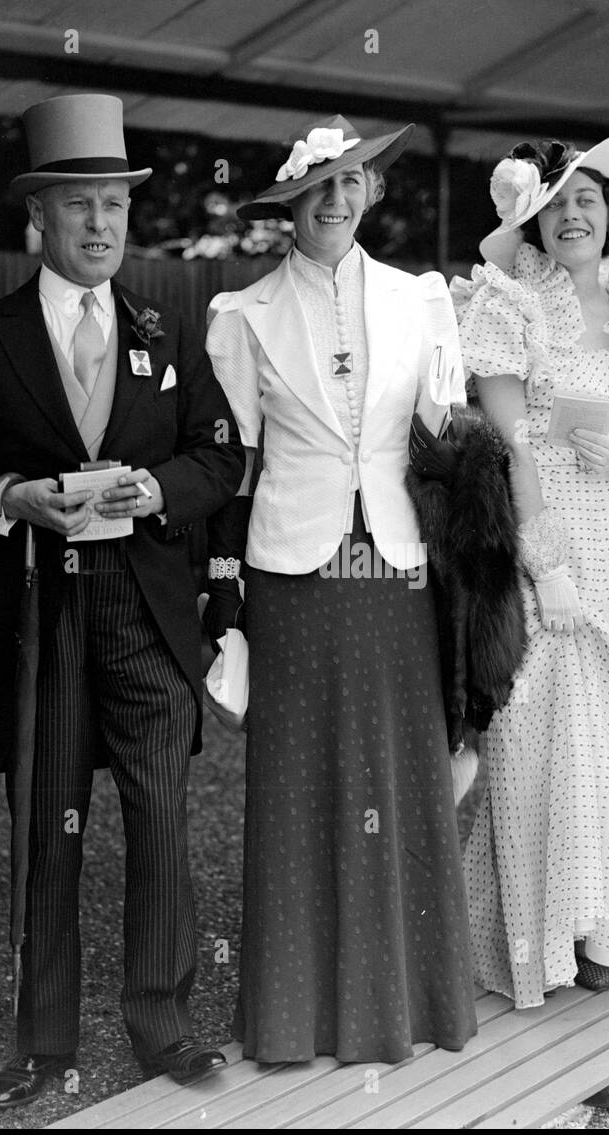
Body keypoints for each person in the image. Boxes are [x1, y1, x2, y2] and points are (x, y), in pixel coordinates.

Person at [0, 94, 245, 1108]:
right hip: (40, 618)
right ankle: (45, 1042)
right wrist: (11, 496)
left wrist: (157, 493)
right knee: (48, 834)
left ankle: (165, 1026)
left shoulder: (165, 328)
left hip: (147, 617)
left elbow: (221, 456)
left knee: (163, 826)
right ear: (36, 222)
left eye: (115, 206)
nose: (102, 224)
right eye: (80, 205)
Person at [202, 115, 478, 1064]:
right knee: (298, 784)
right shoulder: (242, 316)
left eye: (352, 182)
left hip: (396, 569)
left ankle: (408, 1005)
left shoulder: (421, 301)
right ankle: (293, 1018)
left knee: (401, 778)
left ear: (371, 193)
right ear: (287, 206)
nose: (336, 199)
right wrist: (223, 601)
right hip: (295, 576)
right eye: (318, 188)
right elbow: (232, 473)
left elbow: (447, 444)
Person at [451, 134, 609, 1009]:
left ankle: (608, 922)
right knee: (540, 731)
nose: (571, 216)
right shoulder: (508, 302)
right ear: (532, 218)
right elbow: (511, 436)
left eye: (586, 201)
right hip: (546, 533)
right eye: (555, 203)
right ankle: (538, 935)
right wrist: (540, 553)